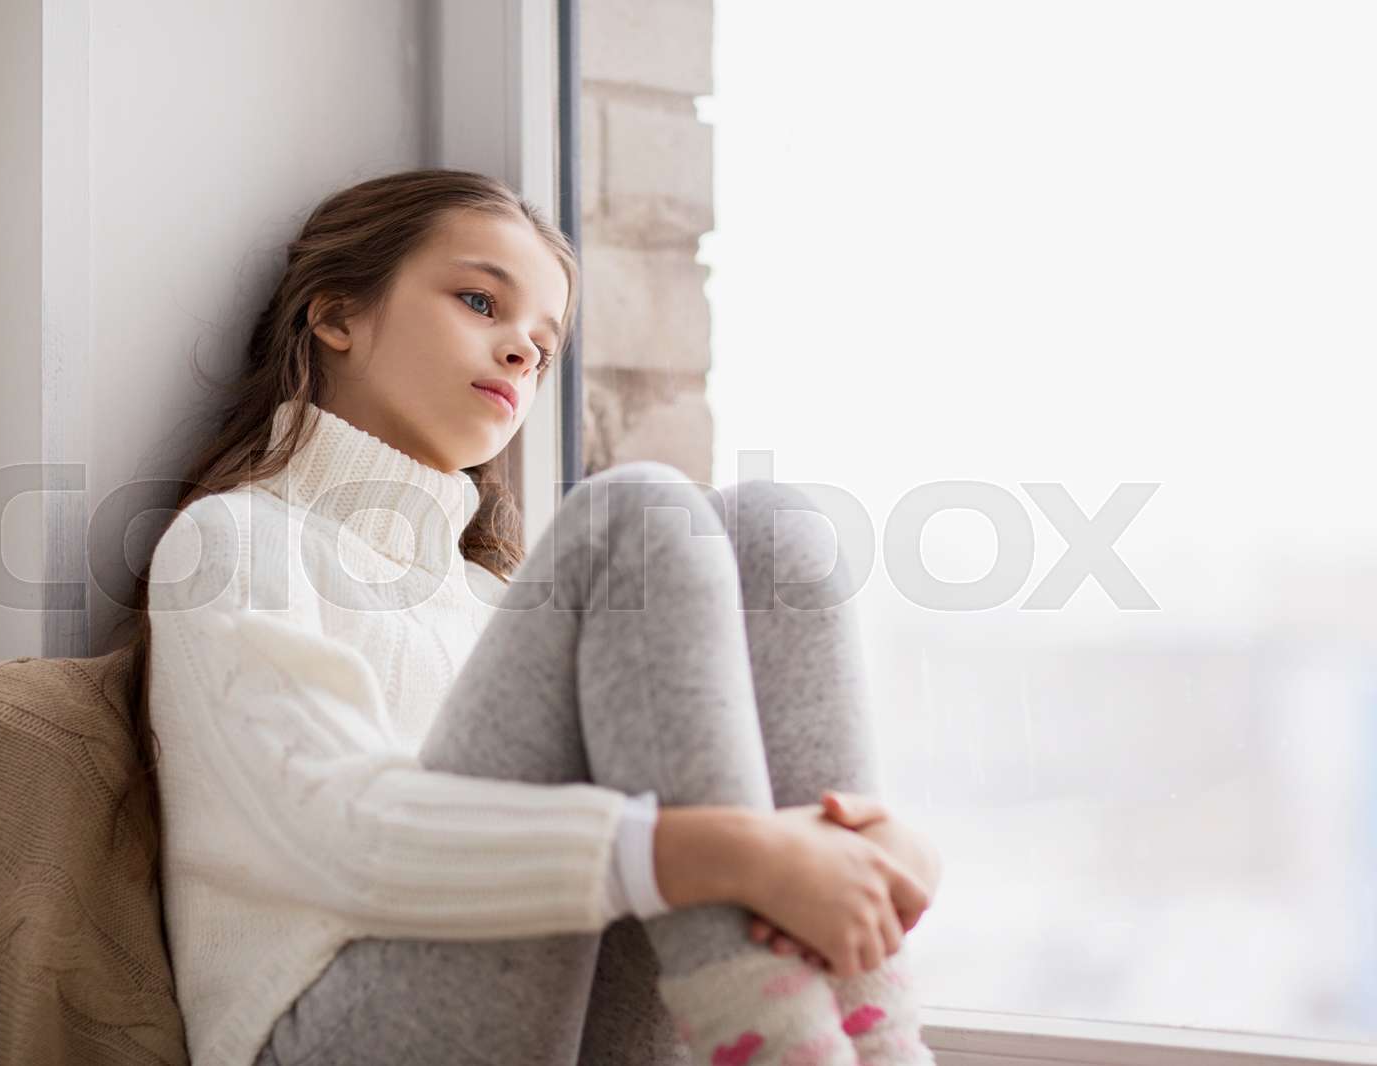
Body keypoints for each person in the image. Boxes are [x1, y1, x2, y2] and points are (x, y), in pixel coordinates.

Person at [124, 167, 944, 1066]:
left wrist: (876, 858)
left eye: (543, 347)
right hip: (326, 1031)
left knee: (774, 529)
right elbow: (343, 841)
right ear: (336, 316)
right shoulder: (234, 542)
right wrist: (739, 852)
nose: (522, 351)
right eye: (481, 301)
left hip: (553, 1025)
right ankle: (786, 1040)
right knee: (635, 518)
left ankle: (875, 1025)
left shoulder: (492, 602)